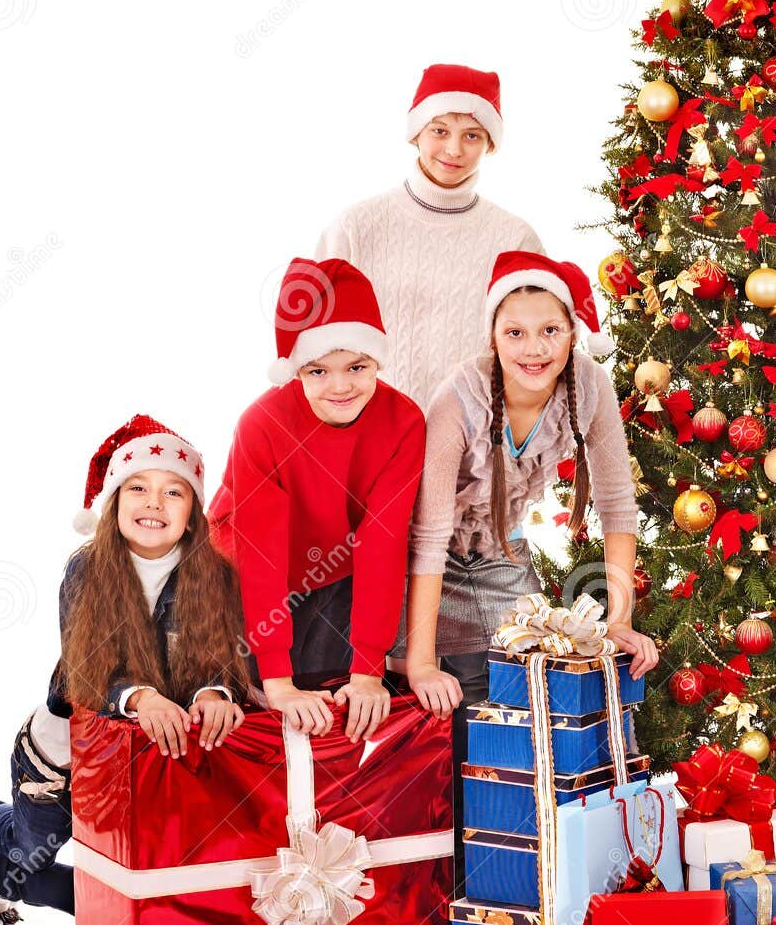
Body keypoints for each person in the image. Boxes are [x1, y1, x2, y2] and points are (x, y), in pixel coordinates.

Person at [0, 417, 248, 925]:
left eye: (173, 492)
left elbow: (222, 656)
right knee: (31, 857)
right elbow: (85, 671)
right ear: (114, 503)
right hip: (66, 758)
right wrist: (142, 699)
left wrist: (215, 692)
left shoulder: (216, 575)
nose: (154, 502)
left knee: (127, 888)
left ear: (193, 514)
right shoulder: (87, 569)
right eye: (137, 488)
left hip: (145, 761)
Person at [402, 250, 659, 727]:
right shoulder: (458, 399)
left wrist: (619, 621)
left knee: (530, 674)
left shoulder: (590, 386)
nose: (534, 349)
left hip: (500, 546)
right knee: (439, 695)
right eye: (515, 333)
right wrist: (419, 663)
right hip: (419, 555)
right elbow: (429, 535)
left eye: (550, 330)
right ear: (493, 338)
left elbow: (618, 507)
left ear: (573, 334)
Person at [208, 256, 425, 741]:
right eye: (318, 371)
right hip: (240, 569)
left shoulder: (405, 422)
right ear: (296, 370)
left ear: (377, 360)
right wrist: (277, 681)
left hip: (333, 569)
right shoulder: (261, 424)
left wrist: (367, 669)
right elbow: (260, 553)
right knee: (253, 703)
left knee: (330, 704)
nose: (340, 386)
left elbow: (383, 541)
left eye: (357, 367)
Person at [317, 63, 544, 407]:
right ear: (417, 133)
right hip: (368, 426)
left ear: (490, 144)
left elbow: (538, 348)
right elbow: (312, 343)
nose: (454, 149)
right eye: (439, 130)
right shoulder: (355, 227)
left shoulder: (515, 238)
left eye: (472, 135)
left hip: (477, 430)